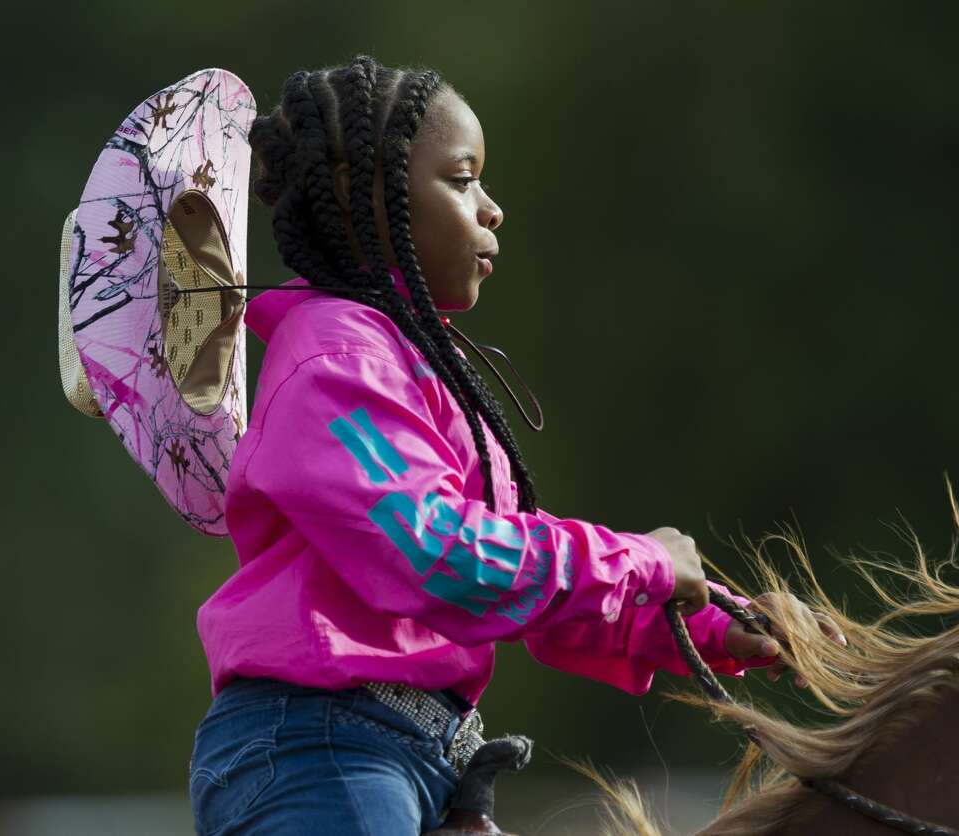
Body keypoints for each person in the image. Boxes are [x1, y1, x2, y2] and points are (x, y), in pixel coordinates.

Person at [189, 55, 838, 836]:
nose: (492, 210)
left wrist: (712, 624)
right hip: (320, 752)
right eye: (463, 181)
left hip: (401, 757)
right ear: (367, 196)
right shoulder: (335, 360)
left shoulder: (410, 359)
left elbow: (522, 587)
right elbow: (441, 557)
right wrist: (643, 562)